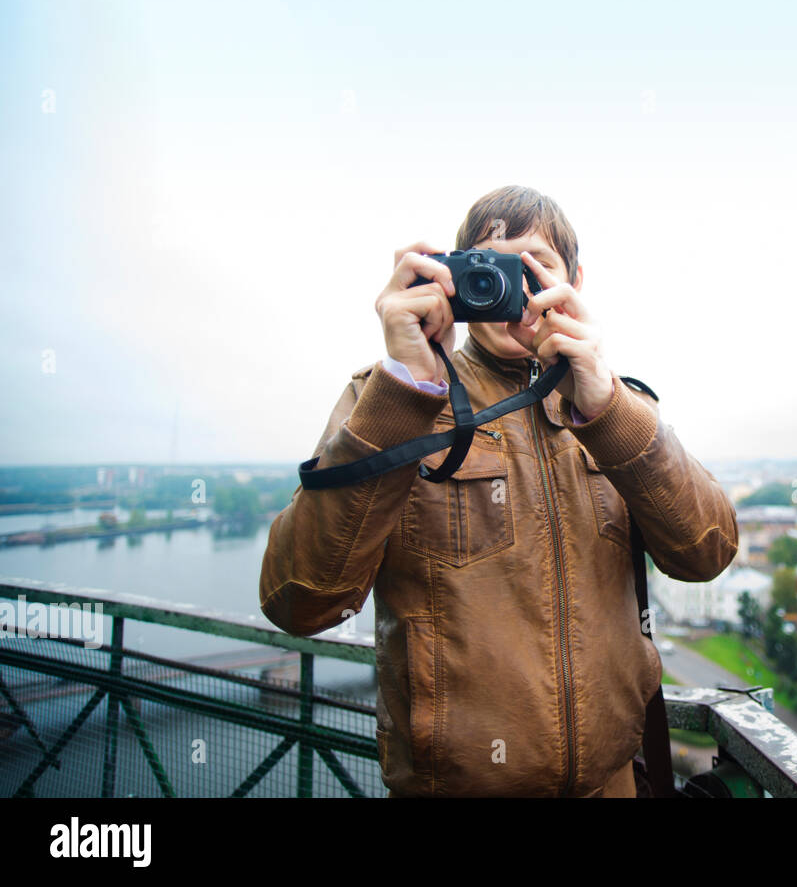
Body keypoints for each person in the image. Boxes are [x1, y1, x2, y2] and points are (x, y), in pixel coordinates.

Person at [259, 185, 739, 797]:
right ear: (453, 280)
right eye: (492, 265)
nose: (512, 289)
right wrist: (404, 391)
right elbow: (299, 602)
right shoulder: (393, 400)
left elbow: (708, 553)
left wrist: (609, 409)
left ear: (576, 281)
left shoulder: (616, 404)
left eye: (534, 266)